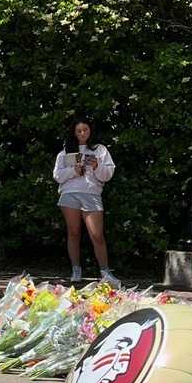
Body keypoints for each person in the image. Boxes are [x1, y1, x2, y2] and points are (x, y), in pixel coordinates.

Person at [52, 116, 118, 287]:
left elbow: (107, 175)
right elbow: (57, 176)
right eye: (79, 131)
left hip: (91, 195)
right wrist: (74, 171)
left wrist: (96, 166)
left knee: (97, 234)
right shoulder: (65, 152)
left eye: (85, 130)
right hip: (69, 194)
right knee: (73, 232)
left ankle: (105, 272)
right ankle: (76, 270)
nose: (82, 133)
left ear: (90, 130)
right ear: (74, 133)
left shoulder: (100, 150)